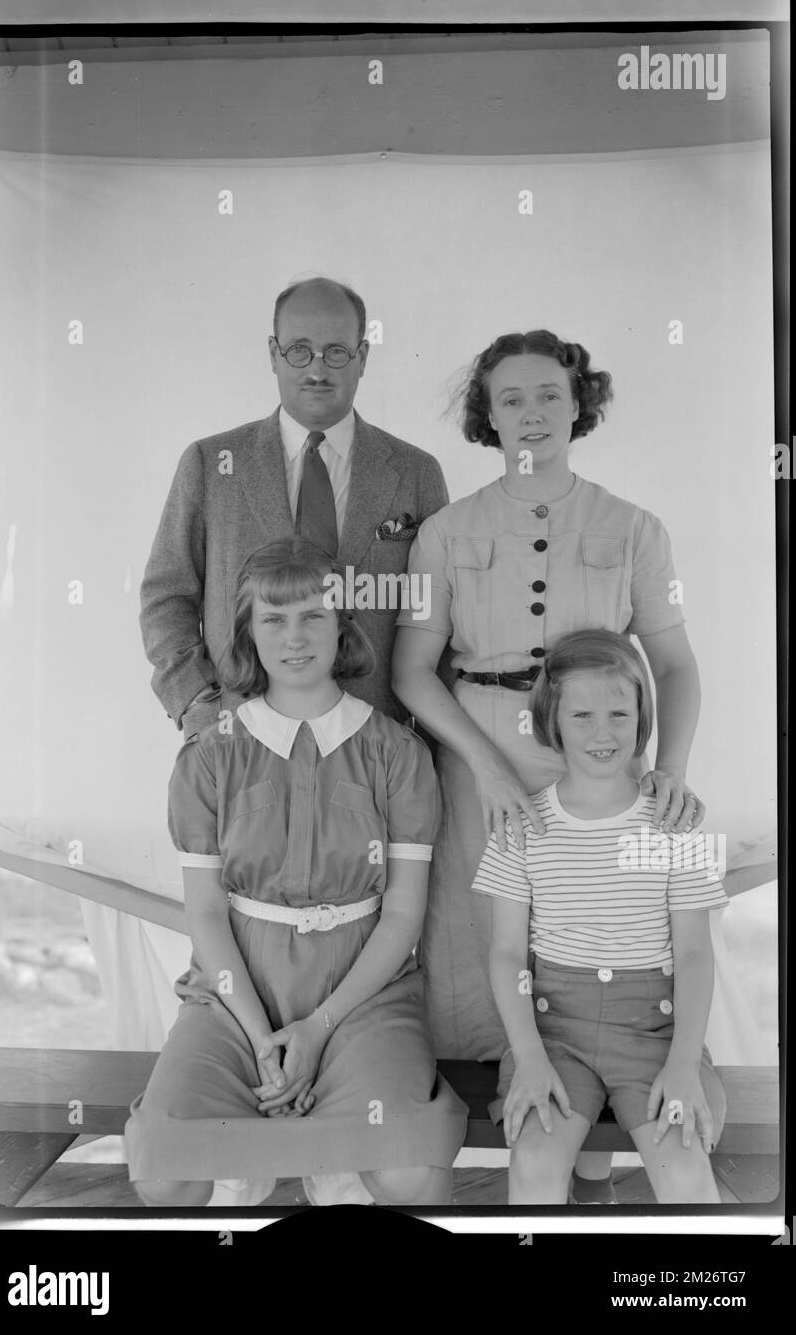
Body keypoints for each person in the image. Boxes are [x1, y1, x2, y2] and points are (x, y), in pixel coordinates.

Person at [392, 329, 706, 1202]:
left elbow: (675, 666)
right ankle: (525, 1131)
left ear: (579, 405)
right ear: (488, 418)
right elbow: (411, 670)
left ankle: (597, 1152)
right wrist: (487, 767)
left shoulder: (634, 528)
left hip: (602, 758)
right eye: (511, 399)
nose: (532, 414)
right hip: (477, 755)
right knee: (477, 942)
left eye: (549, 395)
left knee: (610, 923)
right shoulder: (445, 533)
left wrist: (670, 771)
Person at [125, 539, 467, 1207]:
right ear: (248, 633)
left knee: (411, 1171)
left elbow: (402, 915)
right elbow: (205, 915)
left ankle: (335, 1162)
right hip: (236, 990)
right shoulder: (210, 755)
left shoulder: (397, 751)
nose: (295, 637)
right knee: (164, 1173)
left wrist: (317, 1028)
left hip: (362, 991)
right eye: (274, 619)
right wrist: (264, 1041)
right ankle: (256, 1160)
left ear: (343, 625)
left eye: (314, 615)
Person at [470, 629, 728, 1204]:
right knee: (535, 1163)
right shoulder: (521, 827)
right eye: (582, 715)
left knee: (685, 1171)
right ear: (553, 721)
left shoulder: (676, 823)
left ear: (642, 719)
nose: (602, 733)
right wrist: (530, 1059)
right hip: (553, 1036)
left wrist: (684, 1065)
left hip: (657, 1036)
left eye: (619, 714)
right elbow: (507, 954)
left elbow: (693, 953)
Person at [140, 275, 449, 738]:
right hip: (240, 743)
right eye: (299, 350)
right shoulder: (211, 464)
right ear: (273, 353)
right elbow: (167, 596)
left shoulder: (416, 472)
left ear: (363, 357)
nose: (317, 370)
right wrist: (199, 709)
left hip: (377, 748)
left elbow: (436, 617)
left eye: (336, 351)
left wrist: (424, 744)